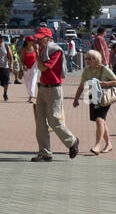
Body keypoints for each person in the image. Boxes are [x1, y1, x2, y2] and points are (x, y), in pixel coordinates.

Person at [30, 27, 80, 162]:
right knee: (40, 122)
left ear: (48, 38)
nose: (38, 41)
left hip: (54, 89)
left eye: (40, 38)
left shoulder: (55, 50)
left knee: (54, 120)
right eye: (37, 38)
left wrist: (37, 55)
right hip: (42, 88)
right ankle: (45, 153)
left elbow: (43, 67)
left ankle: (72, 141)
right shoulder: (42, 50)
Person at [72, 50, 116, 155]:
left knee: (99, 120)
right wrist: (76, 99)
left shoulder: (104, 69)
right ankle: (108, 144)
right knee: (101, 122)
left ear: (96, 59)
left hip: (104, 97)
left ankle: (97, 145)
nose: (87, 60)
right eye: (86, 58)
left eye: (89, 58)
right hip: (93, 96)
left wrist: (105, 83)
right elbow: (81, 86)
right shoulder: (86, 71)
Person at [21, 37, 39, 104]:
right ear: (27, 41)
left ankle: (31, 96)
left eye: (33, 41)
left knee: (33, 82)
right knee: (27, 83)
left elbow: (38, 57)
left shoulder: (35, 47)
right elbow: (21, 59)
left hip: (34, 66)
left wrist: (37, 51)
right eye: (31, 41)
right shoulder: (24, 49)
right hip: (26, 67)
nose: (33, 42)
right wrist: (23, 65)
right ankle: (30, 94)